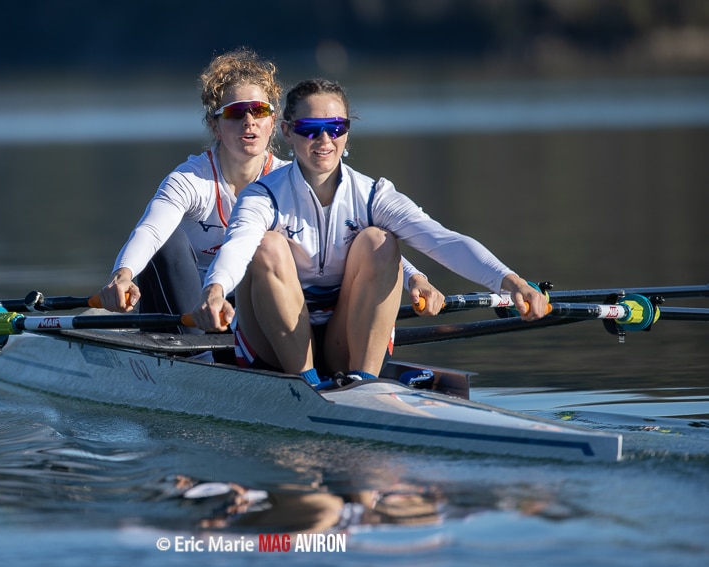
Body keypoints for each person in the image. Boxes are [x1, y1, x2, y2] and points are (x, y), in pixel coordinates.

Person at [190, 78, 548, 386]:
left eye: (335, 127)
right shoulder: (263, 195)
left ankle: (364, 381)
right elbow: (237, 246)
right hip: (270, 341)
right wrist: (216, 290)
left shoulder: (373, 194)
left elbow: (442, 240)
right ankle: (306, 384)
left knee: (380, 241)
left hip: (341, 339)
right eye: (309, 129)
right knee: (266, 245)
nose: (324, 140)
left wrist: (510, 281)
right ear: (286, 131)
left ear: (347, 129)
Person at [95, 48, 286, 331]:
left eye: (259, 110)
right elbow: (151, 231)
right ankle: (197, 356)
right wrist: (122, 275)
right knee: (167, 241)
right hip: (182, 307)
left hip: (246, 304)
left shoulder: (288, 180)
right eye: (235, 113)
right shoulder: (191, 179)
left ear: (272, 121)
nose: (249, 121)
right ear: (215, 126)